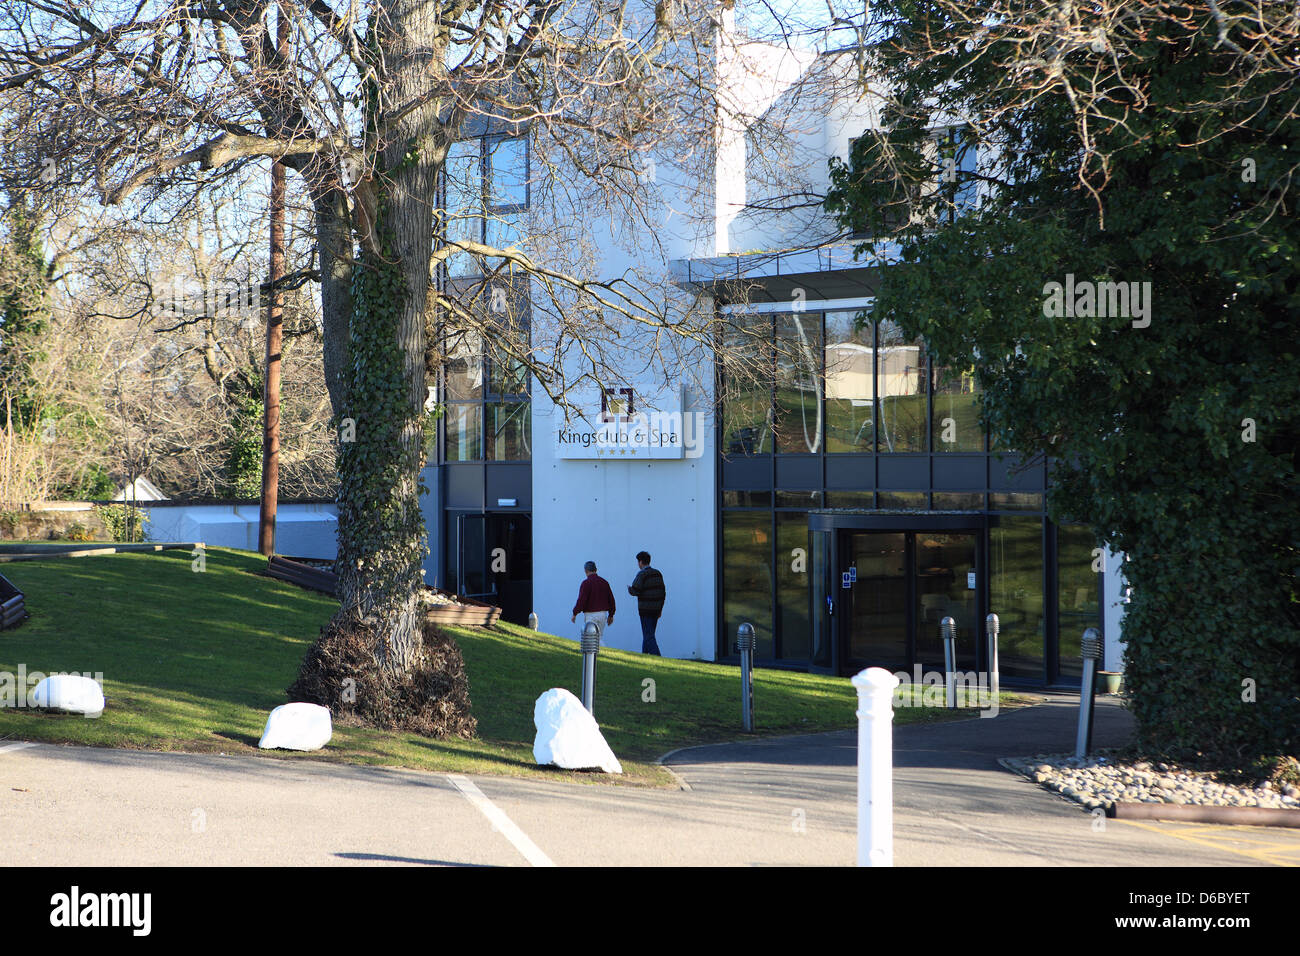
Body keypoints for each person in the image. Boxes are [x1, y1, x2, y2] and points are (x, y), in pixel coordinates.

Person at [627, 551, 666, 656]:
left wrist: (629, 589)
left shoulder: (642, 574)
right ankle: (644, 655)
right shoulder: (658, 573)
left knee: (648, 635)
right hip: (656, 609)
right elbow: (663, 592)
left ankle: (657, 656)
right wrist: (660, 609)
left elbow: (635, 590)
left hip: (645, 610)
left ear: (640, 562)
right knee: (649, 634)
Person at [571, 560, 615, 640]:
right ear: (596, 569)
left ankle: (601, 652)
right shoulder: (604, 582)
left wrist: (575, 613)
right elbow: (611, 600)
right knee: (599, 637)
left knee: (591, 639)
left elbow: (581, 600)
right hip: (602, 614)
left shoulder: (586, 583)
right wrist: (611, 615)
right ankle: (600, 652)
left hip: (591, 615)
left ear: (586, 571)